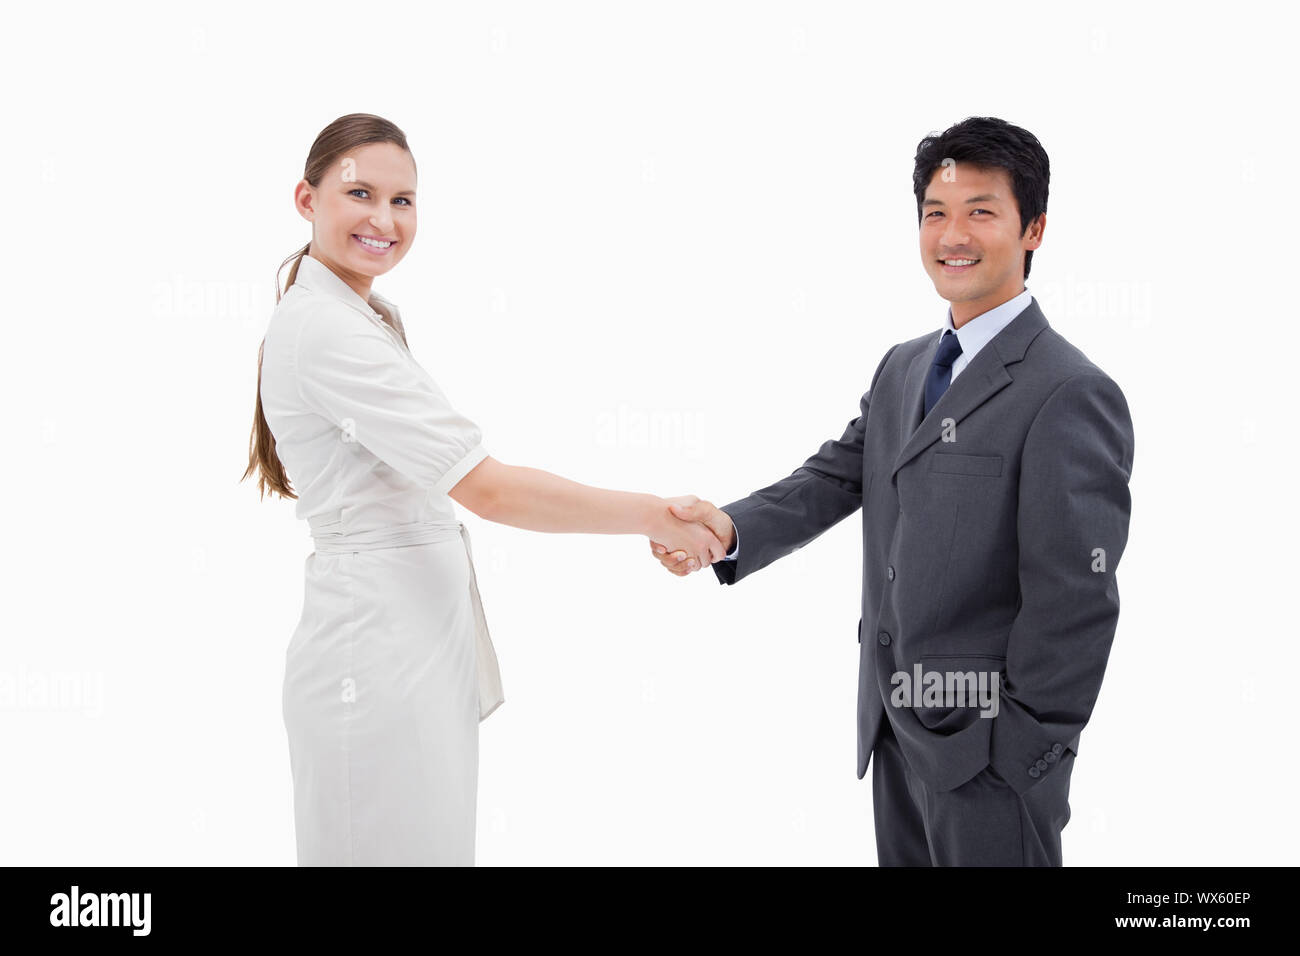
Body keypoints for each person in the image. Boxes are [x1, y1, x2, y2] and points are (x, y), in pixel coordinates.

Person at [243, 113, 725, 866]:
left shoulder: (358, 316)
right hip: (372, 662)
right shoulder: (326, 331)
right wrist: (655, 515)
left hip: (408, 654)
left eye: (403, 200)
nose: (384, 218)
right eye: (360, 193)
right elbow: (491, 491)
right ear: (306, 199)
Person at [651, 116, 1135, 866]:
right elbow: (838, 476)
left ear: (1034, 228)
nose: (953, 235)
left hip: (988, 758)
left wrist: (1022, 752)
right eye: (936, 214)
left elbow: (1076, 602)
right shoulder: (904, 367)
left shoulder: (1068, 392)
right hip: (893, 727)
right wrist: (728, 526)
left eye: (982, 212)